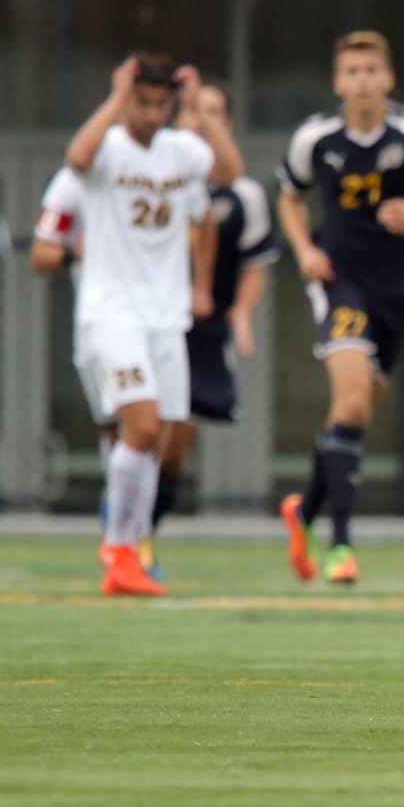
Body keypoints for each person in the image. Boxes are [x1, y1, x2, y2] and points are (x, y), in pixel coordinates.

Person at [278, 31, 404, 585]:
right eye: (352, 71)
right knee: (350, 401)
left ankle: (305, 511)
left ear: (387, 79)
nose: (362, 80)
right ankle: (341, 545)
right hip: (341, 284)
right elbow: (289, 196)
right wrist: (304, 249)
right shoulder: (315, 138)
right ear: (338, 82)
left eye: (371, 70)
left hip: (398, 291)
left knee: (357, 412)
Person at [65, 55, 243, 596]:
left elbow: (230, 172)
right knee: (138, 428)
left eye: (156, 103)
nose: (148, 113)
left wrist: (197, 109)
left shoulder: (180, 151)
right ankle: (117, 545)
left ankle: (130, 547)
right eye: (140, 102)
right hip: (112, 311)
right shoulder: (109, 148)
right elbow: (77, 157)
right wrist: (117, 96)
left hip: (166, 317)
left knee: (158, 441)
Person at [154, 83, 275, 560]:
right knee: (147, 427)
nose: (200, 120)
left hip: (203, 327)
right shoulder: (157, 173)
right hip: (151, 315)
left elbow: (254, 265)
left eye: (213, 113)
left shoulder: (243, 193)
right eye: (191, 111)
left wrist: (241, 313)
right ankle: (126, 534)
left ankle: (141, 532)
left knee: (177, 439)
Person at [28, 164, 118, 496]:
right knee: (122, 429)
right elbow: (41, 254)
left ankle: (135, 523)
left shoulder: (167, 170)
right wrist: (77, 252)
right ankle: (122, 528)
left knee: (166, 433)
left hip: (165, 322)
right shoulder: (73, 182)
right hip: (104, 326)